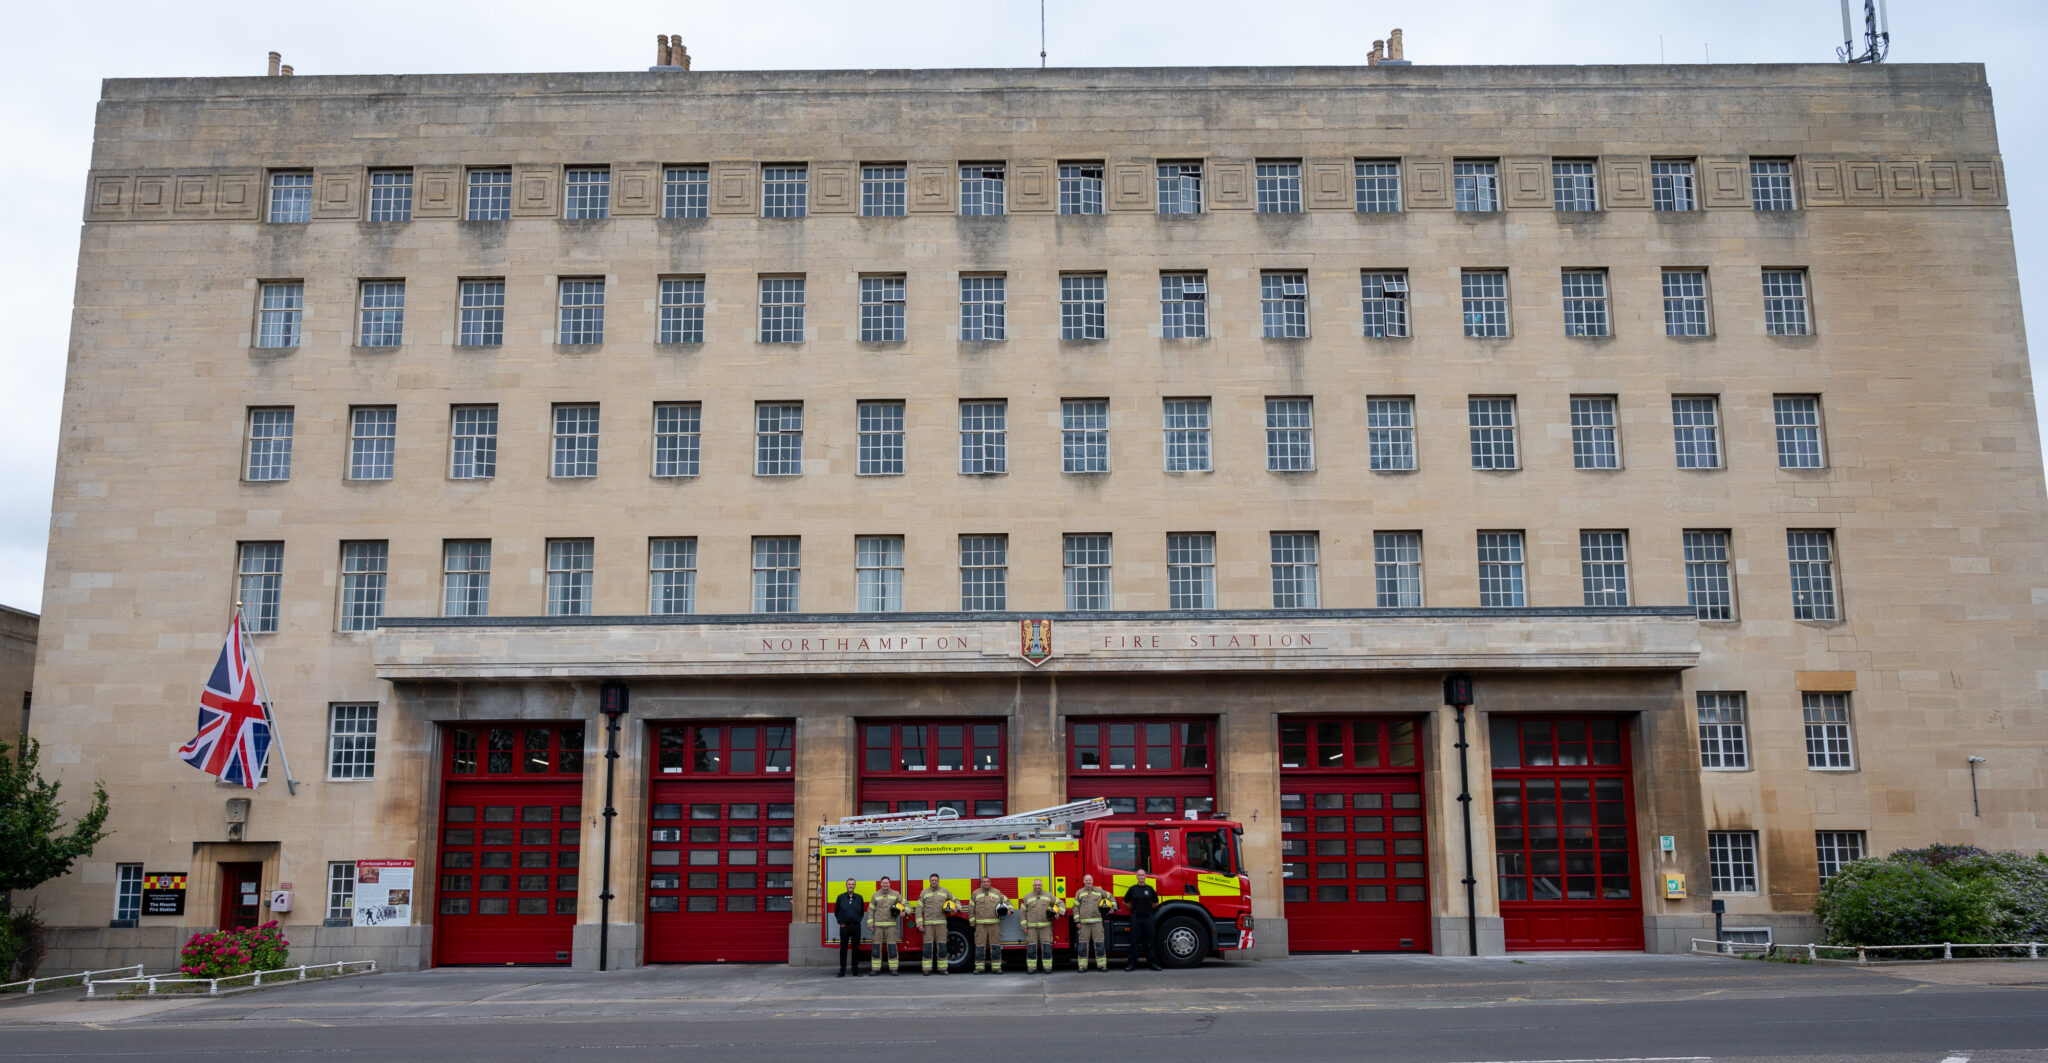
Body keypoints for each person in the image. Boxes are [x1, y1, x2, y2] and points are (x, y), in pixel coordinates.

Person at [912, 872, 957, 975]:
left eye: (935, 880)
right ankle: (927, 969)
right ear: (929, 881)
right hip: (928, 925)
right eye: (932, 880)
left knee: (942, 947)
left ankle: (942, 969)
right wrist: (919, 924)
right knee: (927, 947)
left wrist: (956, 908)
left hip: (941, 924)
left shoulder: (945, 892)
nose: (934, 882)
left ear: (938, 881)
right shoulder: (924, 893)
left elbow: (955, 900)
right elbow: (919, 909)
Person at [1068, 873, 1114, 972]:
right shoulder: (1079, 892)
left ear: (1093, 881)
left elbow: (1110, 897)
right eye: (1086, 880)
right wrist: (1077, 922)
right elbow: (1075, 908)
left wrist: (1112, 908)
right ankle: (1082, 966)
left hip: (1097, 923)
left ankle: (1102, 965)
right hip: (1084, 924)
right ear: (1083, 882)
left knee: (1099, 945)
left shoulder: (1099, 891)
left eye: (1090, 880)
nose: (1088, 882)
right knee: (1083, 946)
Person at [1018, 879, 1061, 974]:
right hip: (1032, 928)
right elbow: (1022, 913)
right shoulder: (1027, 897)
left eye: (1039, 885)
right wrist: (1024, 925)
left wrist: (1059, 913)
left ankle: (1047, 968)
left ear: (1042, 885)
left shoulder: (1048, 895)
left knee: (1047, 948)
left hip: (1045, 927)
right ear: (1033, 886)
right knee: (1031, 948)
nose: (1037, 886)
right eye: (1036, 885)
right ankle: (1031, 968)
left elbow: (1060, 903)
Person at [969, 875, 1009, 974]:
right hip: (980, 926)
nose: (986, 883)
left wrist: (1010, 911)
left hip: (994, 925)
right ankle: (979, 968)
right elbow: (971, 909)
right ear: (981, 883)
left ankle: (996, 968)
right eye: (984, 882)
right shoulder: (975, 893)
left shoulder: (997, 892)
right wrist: (972, 922)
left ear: (990, 883)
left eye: (987, 881)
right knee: (979, 947)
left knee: (995, 946)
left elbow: (1007, 902)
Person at [1123, 870, 1161, 971]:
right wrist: (1133, 909)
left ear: (1145, 877)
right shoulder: (1132, 889)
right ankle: (1132, 964)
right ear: (1136, 877)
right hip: (1136, 918)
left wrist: (1148, 909)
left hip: (1148, 918)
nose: (1141, 877)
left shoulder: (1150, 889)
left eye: (1142, 875)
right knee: (1134, 941)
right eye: (1139, 875)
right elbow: (1125, 901)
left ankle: (1153, 964)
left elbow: (1156, 902)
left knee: (1150, 942)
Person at [869, 877, 906, 975]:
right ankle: (875, 969)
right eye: (883, 883)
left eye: (887, 883)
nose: (885, 884)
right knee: (876, 947)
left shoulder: (895, 894)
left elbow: (906, 904)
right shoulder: (875, 895)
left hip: (891, 926)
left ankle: (893, 969)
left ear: (890, 884)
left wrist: (905, 912)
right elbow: (870, 910)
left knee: (892, 946)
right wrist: (870, 923)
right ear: (880, 884)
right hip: (878, 926)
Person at [832, 877, 867, 977]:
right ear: (846, 885)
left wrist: (858, 919)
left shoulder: (859, 898)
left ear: (854, 885)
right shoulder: (841, 897)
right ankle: (842, 971)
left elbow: (861, 912)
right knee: (843, 949)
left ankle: (855, 971)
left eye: (852, 884)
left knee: (856, 949)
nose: (851, 886)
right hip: (844, 927)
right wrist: (840, 922)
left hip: (856, 927)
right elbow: (836, 911)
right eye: (849, 884)